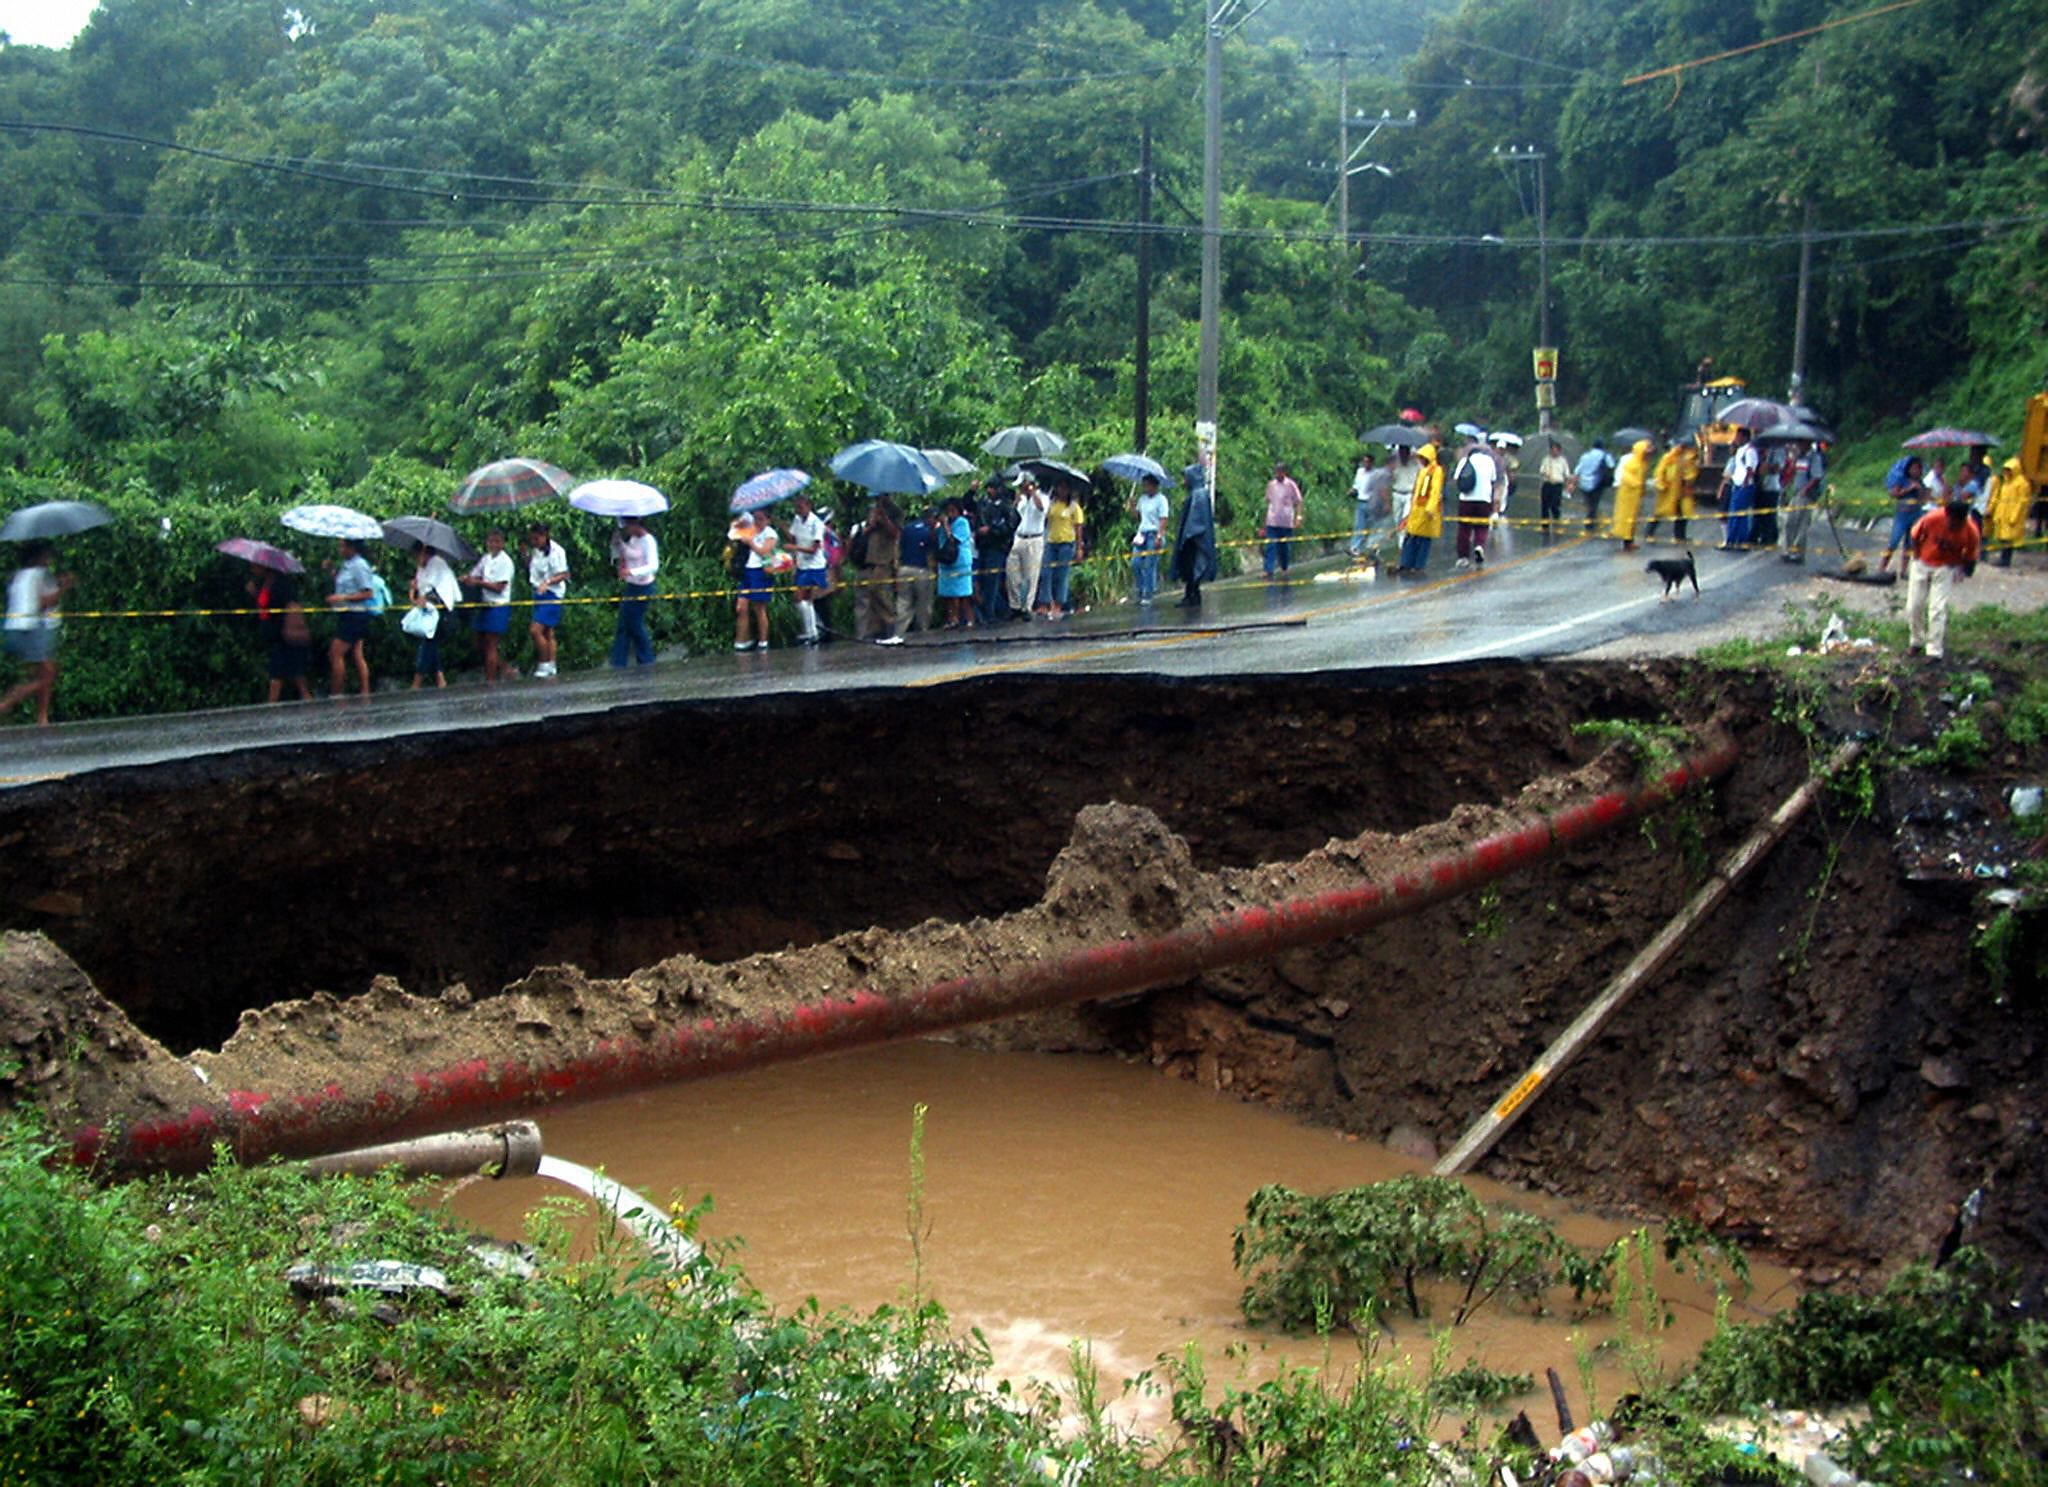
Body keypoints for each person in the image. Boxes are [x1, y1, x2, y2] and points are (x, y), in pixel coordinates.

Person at [0, 541, 71, 726]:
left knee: (38, 674)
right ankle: (6, 703)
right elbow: (44, 602)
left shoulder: (18, 575)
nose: (49, 560)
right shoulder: (41, 575)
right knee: (46, 675)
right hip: (33, 628)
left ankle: (42, 717)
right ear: (40, 557)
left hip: (13, 628)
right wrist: (64, 586)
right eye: (47, 556)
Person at [1905, 495, 1980, 660]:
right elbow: (1915, 535)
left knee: (1937, 609)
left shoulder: (1971, 530)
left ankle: (1934, 650)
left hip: (1946, 567)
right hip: (1922, 562)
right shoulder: (1932, 518)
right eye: (1951, 520)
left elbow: (1971, 554)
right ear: (1947, 515)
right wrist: (1916, 555)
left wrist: (1963, 569)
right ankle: (1916, 641)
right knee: (1914, 606)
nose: (1953, 525)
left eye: (1958, 522)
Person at [251, 561, 311, 703]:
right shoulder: (266, 584)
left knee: (276, 672)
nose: (253, 570)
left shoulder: (281, 584)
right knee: (295, 670)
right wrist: (255, 594)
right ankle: (306, 696)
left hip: (282, 633)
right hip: (274, 634)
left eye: (255, 566)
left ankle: (272, 704)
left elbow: (278, 607)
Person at [325, 537, 376, 697]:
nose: (340, 550)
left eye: (342, 546)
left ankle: (337, 693)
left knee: (335, 653)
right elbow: (344, 585)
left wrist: (342, 598)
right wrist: (331, 571)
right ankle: (365, 691)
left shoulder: (359, 566)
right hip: (346, 613)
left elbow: (368, 592)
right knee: (356, 654)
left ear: (351, 547)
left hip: (355, 615)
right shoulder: (347, 566)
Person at [464, 529, 515, 683]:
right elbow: (475, 574)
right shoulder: (486, 559)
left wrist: (478, 583)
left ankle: (490, 680)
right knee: (479, 643)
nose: (493, 544)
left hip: (498, 605)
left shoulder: (506, 562)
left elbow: (499, 587)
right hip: (485, 603)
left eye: (497, 541)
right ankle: (504, 668)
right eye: (491, 541)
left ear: (503, 543)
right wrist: (468, 579)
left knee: (491, 644)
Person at [608, 515, 658, 667]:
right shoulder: (632, 539)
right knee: (624, 623)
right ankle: (618, 662)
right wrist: (617, 545)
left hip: (644, 586)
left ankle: (646, 658)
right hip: (631, 586)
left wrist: (632, 572)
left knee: (635, 623)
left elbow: (653, 566)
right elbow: (625, 554)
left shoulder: (648, 540)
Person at [409, 541, 461, 689]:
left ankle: (417, 682)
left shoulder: (437, 564)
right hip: (428, 611)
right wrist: (413, 591)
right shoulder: (422, 568)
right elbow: (419, 594)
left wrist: (420, 598)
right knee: (430, 644)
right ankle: (440, 678)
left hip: (442, 611)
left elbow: (433, 590)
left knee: (428, 643)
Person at [1173, 458, 1218, 607]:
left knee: (1193, 566)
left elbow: (1196, 519)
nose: (1184, 481)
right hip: (1193, 538)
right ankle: (1191, 594)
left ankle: (1192, 595)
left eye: (1185, 477)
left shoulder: (1199, 495)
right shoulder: (1196, 493)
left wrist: (1188, 536)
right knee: (1189, 568)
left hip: (1194, 539)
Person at [730, 510, 778, 651]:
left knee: (759, 607)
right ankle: (743, 640)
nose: (758, 522)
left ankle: (763, 641)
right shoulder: (750, 528)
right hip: (746, 570)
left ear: (768, 520)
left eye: (761, 519)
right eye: (756, 519)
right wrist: (740, 524)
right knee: (741, 606)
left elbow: (764, 551)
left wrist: (750, 542)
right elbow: (733, 532)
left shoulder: (770, 534)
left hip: (760, 571)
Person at [526, 523, 569, 677]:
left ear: (545, 536)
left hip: (552, 593)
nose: (535, 542)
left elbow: (564, 574)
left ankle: (544, 663)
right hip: (538, 592)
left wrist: (548, 582)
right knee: (548, 631)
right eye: (533, 539)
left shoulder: (557, 551)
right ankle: (551, 664)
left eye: (537, 539)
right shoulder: (535, 551)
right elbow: (534, 571)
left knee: (535, 630)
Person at [786, 492, 829, 645]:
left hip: (814, 565)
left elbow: (814, 549)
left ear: (809, 506)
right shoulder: (797, 520)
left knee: (803, 596)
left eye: (801, 507)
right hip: (802, 565)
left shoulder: (816, 523)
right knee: (802, 599)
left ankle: (812, 632)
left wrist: (795, 547)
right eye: (797, 507)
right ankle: (812, 631)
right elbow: (792, 535)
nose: (799, 510)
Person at [855, 496, 900, 641]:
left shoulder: (895, 511)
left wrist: (884, 519)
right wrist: (872, 524)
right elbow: (866, 531)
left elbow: (896, 533)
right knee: (871, 594)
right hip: (871, 558)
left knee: (881, 592)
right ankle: (877, 628)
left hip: (885, 559)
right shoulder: (872, 511)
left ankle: (891, 625)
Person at [1450, 439, 1500, 567]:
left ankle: (1463, 557)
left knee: (1464, 528)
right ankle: (1479, 546)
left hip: (1466, 499)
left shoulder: (1464, 461)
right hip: (1484, 499)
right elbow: (1493, 481)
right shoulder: (1489, 461)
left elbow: (1457, 480)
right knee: (1482, 526)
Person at [1397, 443, 1445, 574]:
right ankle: (1406, 563)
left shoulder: (1436, 471)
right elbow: (1417, 492)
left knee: (1423, 540)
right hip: (1417, 510)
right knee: (1411, 536)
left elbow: (1435, 491)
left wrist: (1430, 508)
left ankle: (1418, 566)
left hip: (1427, 511)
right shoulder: (1423, 471)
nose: (1420, 460)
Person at [973, 479, 1016, 625]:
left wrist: (991, 530)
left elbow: (1011, 526)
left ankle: (991, 613)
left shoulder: (1006, 506)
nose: (989, 491)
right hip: (984, 547)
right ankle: (995, 610)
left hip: (997, 547)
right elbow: (969, 505)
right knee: (985, 581)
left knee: (993, 581)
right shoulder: (984, 505)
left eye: (992, 488)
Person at [1039, 483, 1086, 617]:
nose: (1062, 490)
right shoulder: (1052, 504)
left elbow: (1078, 527)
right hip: (1051, 542)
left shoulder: (1073, 507)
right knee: (1046, 573)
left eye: (1065, 488)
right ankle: (1046, 603)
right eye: (1060, 488)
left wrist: (1079, 548)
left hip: (1066, 543)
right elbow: (1046, 519)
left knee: (1061, 575)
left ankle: (1059, 604)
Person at [1005, 475, 1049, 618]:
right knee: (1012, 573)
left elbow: (1042, 508)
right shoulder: (1022, 499)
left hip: (1034, 539)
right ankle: (1015, 605)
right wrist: (1018, 500)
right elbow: (1014, 514)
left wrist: (1032, 493)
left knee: (1031, 576)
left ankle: (1027, 607)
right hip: (1019, 537)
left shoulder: (1042, 497)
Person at [1877, 455, 1928, 574]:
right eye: (1914, 468)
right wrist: (1909, 489)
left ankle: (1904, 570)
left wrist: (1920, 490)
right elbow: (1894, 493)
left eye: (1918, 469)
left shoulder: (1920, 483)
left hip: (1915, 514)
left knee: (1909, 544)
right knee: (1893, 541)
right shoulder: (1902, 480)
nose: (1916, 471)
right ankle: (1882, 567)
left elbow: (1923, 499)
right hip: (1902, 515)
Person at [893, 503, 937, 639]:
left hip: (904, 569)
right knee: (924, 603)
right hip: (921, 570)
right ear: (931, 518)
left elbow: (899, 547)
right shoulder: (929, 532)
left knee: (903, 602)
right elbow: (932, 552)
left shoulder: (907, 528)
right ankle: (922, 632)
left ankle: (899, 633)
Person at [1781, 440, 1826, 564]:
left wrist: (1805, 490)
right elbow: (1794, 473)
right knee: (1790, 522)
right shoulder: (1800, 458)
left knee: (1801, 523)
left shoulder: (1814, 457)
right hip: (1796, 492)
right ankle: (1788, 549)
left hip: (1806, 494)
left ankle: (1798, 553)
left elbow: (1816, 477)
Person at [1985, 456, 2035, 567]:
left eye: (2009, 469)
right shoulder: (2006, 482)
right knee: (2003, 538)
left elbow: (2022, 502)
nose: (2007, 471)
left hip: (2012, 515)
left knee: (2009, 539)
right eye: (2006, 469)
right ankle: (2003, 558)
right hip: (2003, 515)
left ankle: (2005, 560)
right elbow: (2001, 498)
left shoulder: (2022, 483)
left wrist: (2014, 516)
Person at [936, 496, 977, 629]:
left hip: (960, 562)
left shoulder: (962, 523)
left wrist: (947, 526)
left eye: (953, 510)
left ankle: (969, 619)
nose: (950, 513)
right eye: (948, 511)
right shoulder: (942, 525)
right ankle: (952, 619)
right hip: (946, 563)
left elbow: (954, 540)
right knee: (948, 594)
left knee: (963, 593)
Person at [1648, 438, 1699, 543]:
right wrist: (1661, 484)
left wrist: (1688, 481)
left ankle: (1680, 536)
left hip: (1683, 491)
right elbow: (1660, 472)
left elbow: (1691, 474)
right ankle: (1649, 533)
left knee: (1682, 513)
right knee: (1660, 512)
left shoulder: (1689, 459)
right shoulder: (1669, 458)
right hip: (1668, 491)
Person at [1718, 428, 1761, 550]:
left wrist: (1745, 482)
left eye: (1738, 436)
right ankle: (1734, 540)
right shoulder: (1740, 450)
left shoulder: (1750, 451)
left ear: (1745, 437)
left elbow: (1750, 468)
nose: (1736, 439)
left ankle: (1739, 541)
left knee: (1739, 515)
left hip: (1744, 486)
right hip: (1737, 485)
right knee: (1735, 514)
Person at [1131, 473, 1170, 600]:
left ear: (1154, 485)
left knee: (1149, 564)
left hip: (1154, 534)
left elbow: (1163, 518)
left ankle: (1148, 594)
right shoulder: (1143, 499)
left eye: (1147, 485)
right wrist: (1132, 507)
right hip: (1142, 533)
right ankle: (1141, 588)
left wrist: (1159, 535)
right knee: (1135, 563)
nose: (1145, 488)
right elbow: (1137, 517)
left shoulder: (1161, 499)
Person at [1610, 438, 1654, 552]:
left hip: (1635, 496)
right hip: (1627, 496)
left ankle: (1630, 541)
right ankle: (1627, 542)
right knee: (1627, 519)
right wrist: (1637, 484)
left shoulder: (1642, 463)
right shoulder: (1632, 462)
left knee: (1633, 520)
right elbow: (1626, 476)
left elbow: (1642, 478)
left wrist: (1642, 488)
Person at [1261, 462, 1303, 578]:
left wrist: (1298, 517)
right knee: (1271, 545)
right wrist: (1264, 522)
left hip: (1286, 522)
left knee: (1284, 547)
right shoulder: (1271, 485)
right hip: (1272, 521)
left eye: (1280, 472)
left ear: (1284, 472)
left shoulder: (1291, 485)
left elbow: (1299, 501)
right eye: (1276, 472)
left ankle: (1284, 567)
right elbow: (1268, 502)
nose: (1278, 474)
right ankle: (1268, 570)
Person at [1574, 440, 1616, 531]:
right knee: (1594, 504)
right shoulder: (1605, 456)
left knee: (1588, 503)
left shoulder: (1585, 456)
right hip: (1597, 483)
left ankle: (1590, 519)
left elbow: (1577, 470)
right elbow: (1612, 466)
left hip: (1583, 483)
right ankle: (1590, 522)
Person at [1536, 440, 1570, 542]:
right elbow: (1542, 471)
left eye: (1556, 450)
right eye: (1552, 450)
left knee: (1555, 504)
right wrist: (1547, 473)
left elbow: (1566, 473)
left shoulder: (1563, 461)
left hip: (1557, 485)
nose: (1554, 452)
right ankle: (1545, 526)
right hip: (1547, 484)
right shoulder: (1546, 460)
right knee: (1545, 505)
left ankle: (1556, 522)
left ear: (1559, 451)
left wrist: (1568, 485)